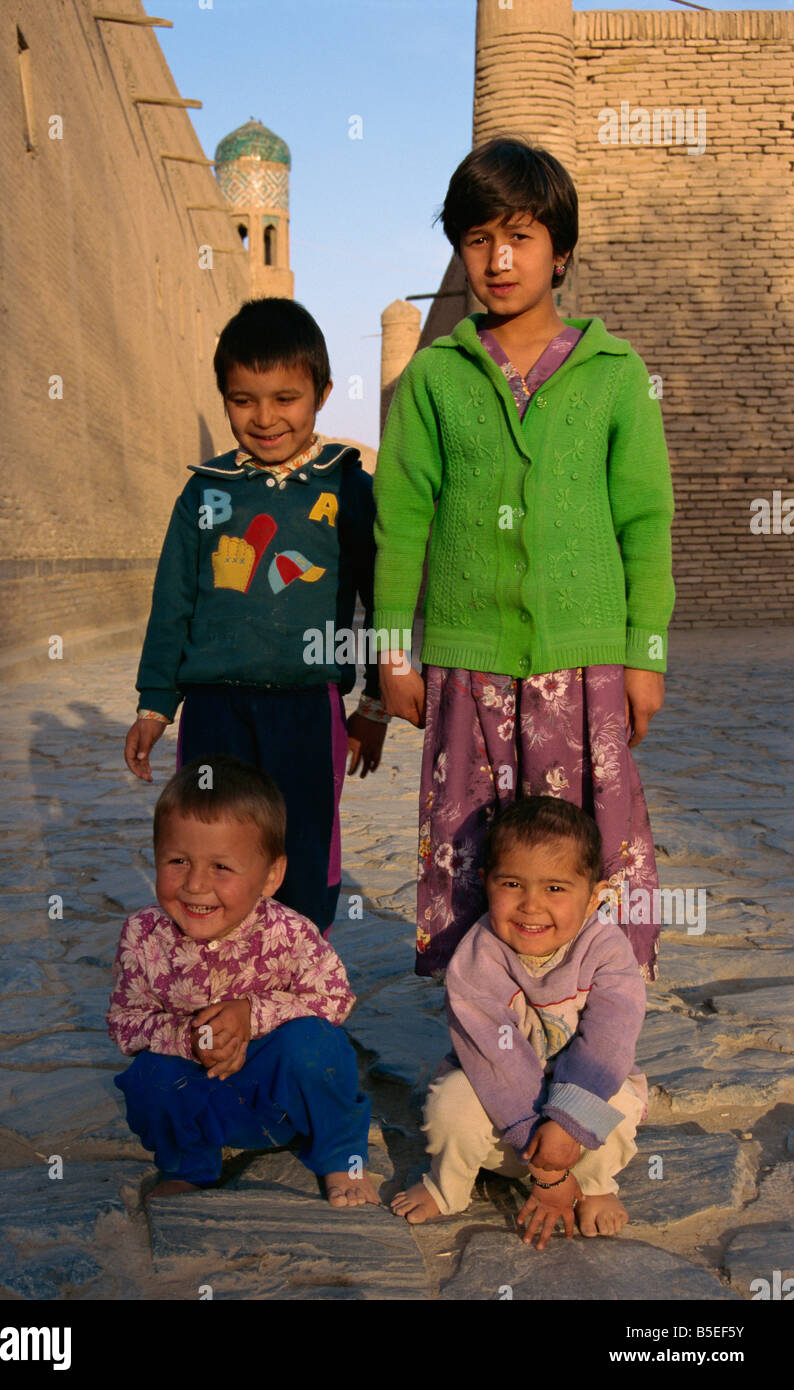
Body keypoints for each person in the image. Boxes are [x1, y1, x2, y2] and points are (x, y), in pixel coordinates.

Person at [372, 136, 674, 981]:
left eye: (521, 236)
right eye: (477, 239)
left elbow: (647, 524)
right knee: (474, 852)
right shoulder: (436, 378)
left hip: (585, 676)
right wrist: (393, 654)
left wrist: (645, 658)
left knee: (591, 846)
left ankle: (594, 1025)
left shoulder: (615, 375)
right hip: (469, 673)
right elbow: (402, 522)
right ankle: (483, 1032)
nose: (498, 259)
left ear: (561, 250)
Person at [124, 297, 389, 934]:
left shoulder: (346, 486)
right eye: (244, 400)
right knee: (214, 847)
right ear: (224, 398)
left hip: (307, 706)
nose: (265, 419)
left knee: (302, 846)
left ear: (322, 393)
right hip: (215, 706)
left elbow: (383, 596)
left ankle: (297, 984)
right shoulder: (206, 491)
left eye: (285, 398)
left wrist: (377, 703)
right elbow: (173, 600)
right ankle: (217, 979)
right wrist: (156, 703)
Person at [107, 755, 379, 1208]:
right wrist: (187, 1040)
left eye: (221, 868)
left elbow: (335, 998)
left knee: (318, 1045)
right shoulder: (143, 936)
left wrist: (253, 1015)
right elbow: (125, 1023)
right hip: (202, 1094)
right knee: (147, 1078)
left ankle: (339, 1155)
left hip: (283, 1101)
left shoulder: (289, 932)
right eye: (177, 861)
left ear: (271, 876)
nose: (195, 885)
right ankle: (189, 1164)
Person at [391, 797, 647, 1248]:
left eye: (555, 888)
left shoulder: (607, 951)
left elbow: (610, 1038)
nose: (531, 906)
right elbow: (494, 1057)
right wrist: (547, 1172)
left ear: (594, 898)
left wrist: (568, 1124)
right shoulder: (476, 958)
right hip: (507, 1120)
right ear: (487, 884)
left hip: (577, 1129)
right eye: (512, 883)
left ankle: (594, 1183)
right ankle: (447, 1187)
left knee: (621, 1102)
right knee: (451, 1101)